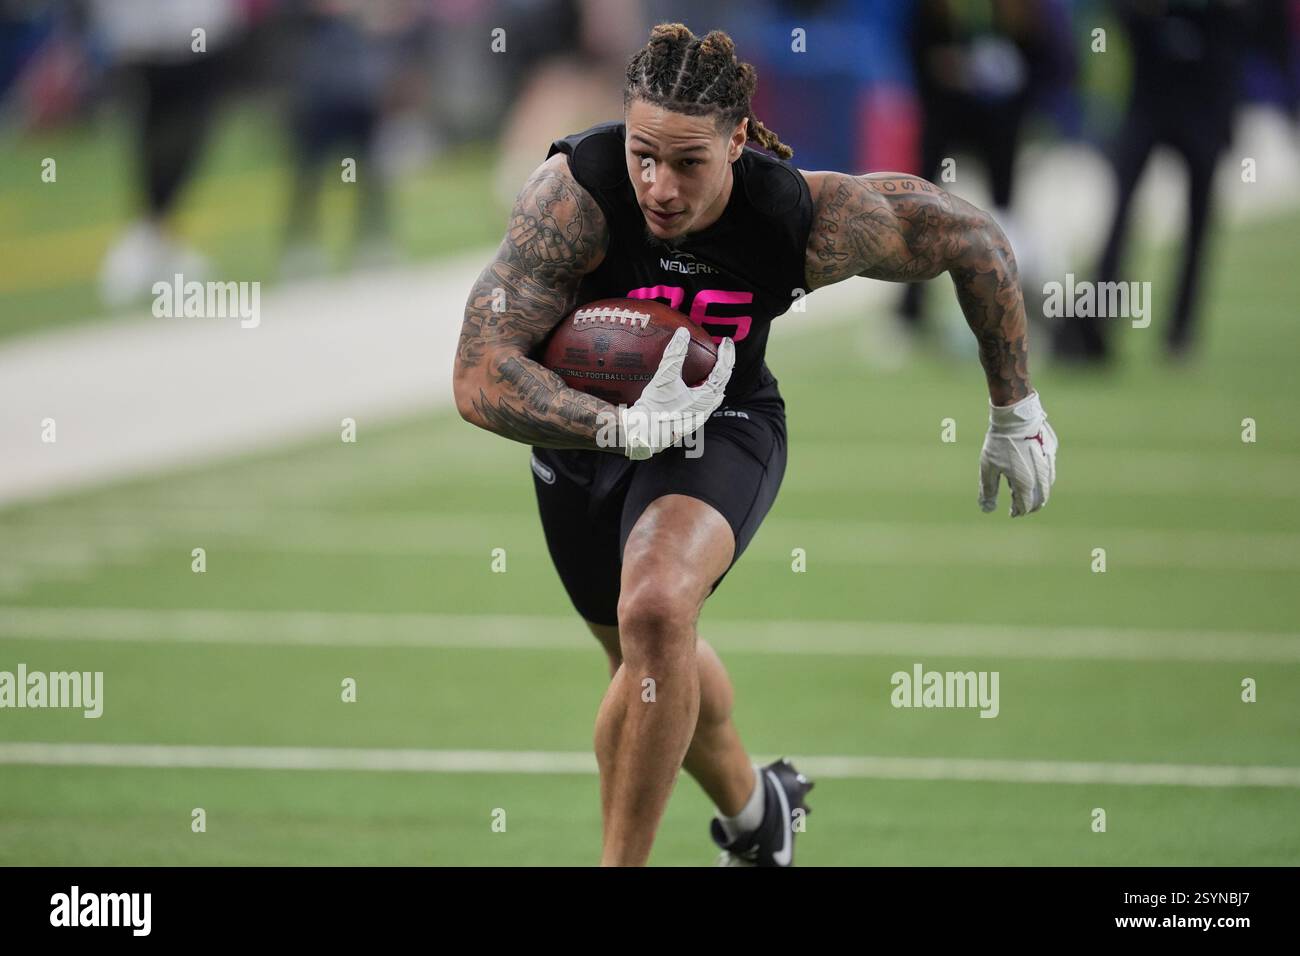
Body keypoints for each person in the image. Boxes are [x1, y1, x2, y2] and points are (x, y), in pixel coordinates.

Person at [453, 23, 1058, 867]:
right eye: (642, 154)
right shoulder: (576, 193)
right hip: (583, 434)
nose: (659, 186)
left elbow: (972, 238)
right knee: (647, 664)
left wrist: (1013, 407)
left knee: (657, 608)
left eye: (689, 161)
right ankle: (758, 814)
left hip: (719, 423)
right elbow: (479, 374)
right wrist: (613, 425)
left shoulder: (798, 217)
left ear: (739, 140)